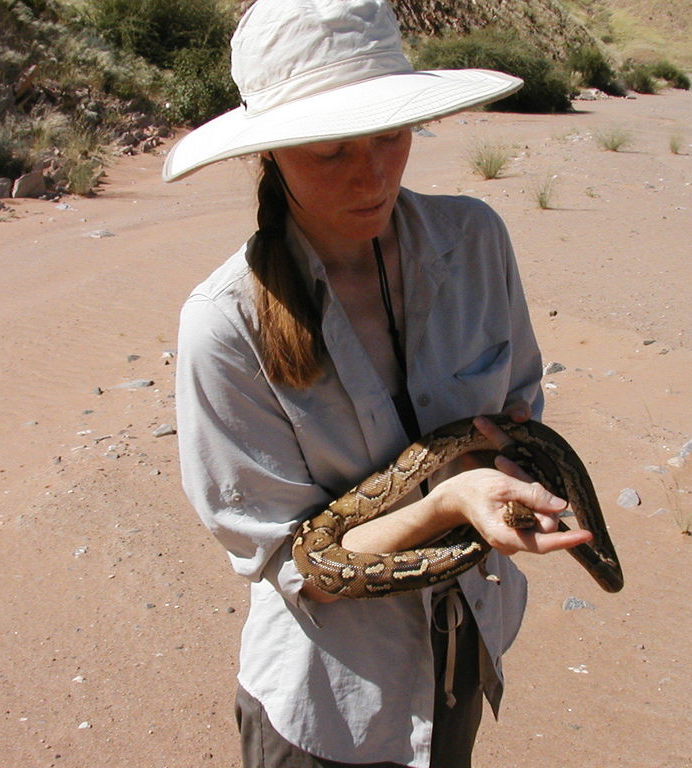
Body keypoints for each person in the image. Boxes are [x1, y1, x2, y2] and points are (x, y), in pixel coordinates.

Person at [166, 1, 592, 766]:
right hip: (329, 705)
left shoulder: (475, 242)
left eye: (391, 135)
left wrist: (502, 476)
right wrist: (449, 502)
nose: (372, 175)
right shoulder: (224, 327)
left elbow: (517, 418)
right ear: (269, 154)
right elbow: (304, 570)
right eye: (328, 153)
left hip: (461, 660)